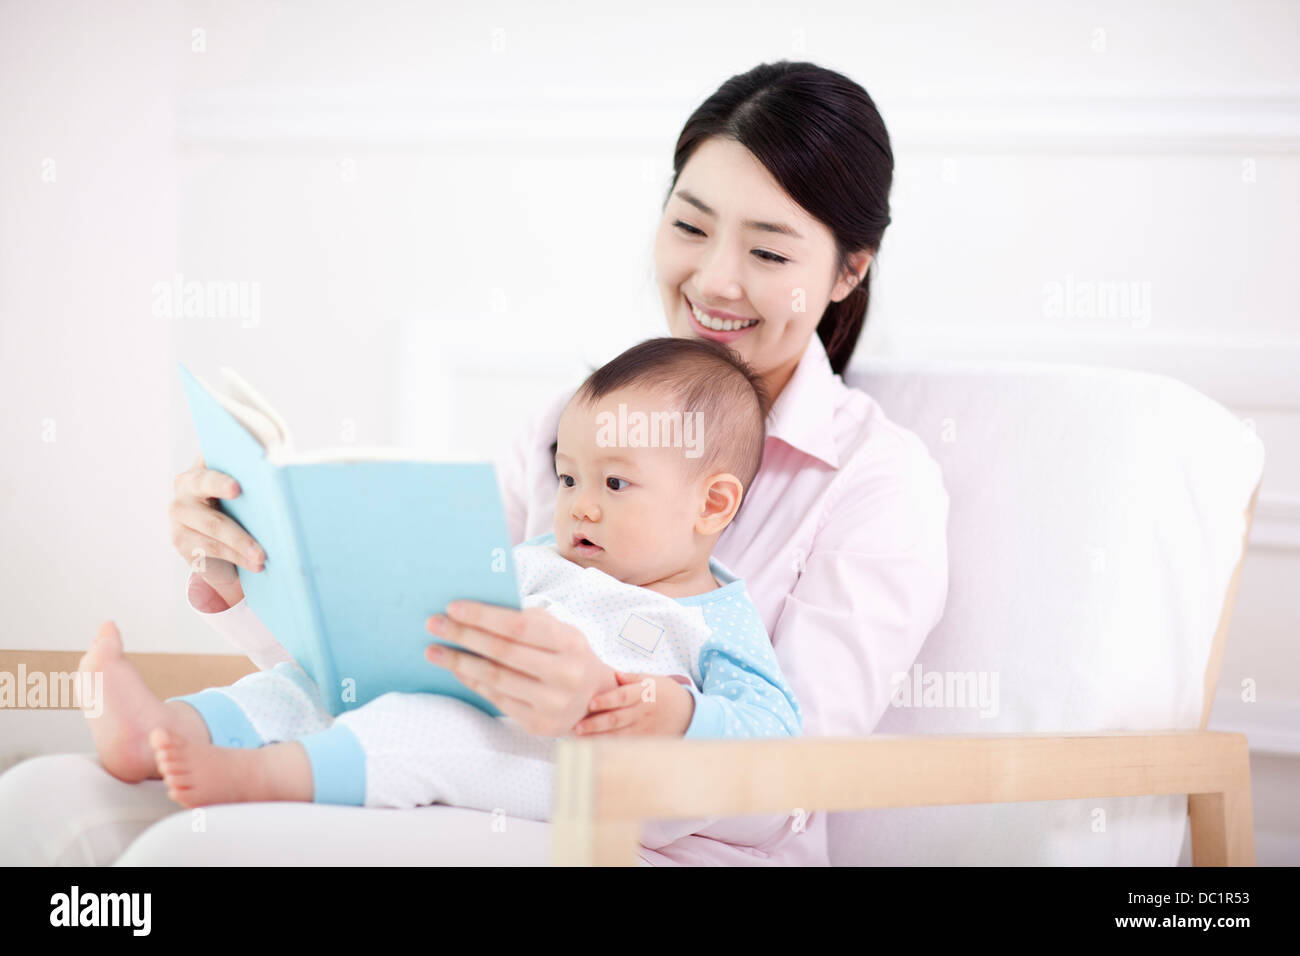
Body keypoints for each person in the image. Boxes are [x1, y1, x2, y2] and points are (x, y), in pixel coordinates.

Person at [0, 59, 949, 866]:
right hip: (446, 787)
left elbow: (791, 780)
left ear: (847, 271)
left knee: (201, 848)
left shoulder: (876, 483)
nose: (714, 280)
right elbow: (402, 652)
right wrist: (253, 572)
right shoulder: (569, 429)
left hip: (641, 843)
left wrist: (619, 709)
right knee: (41, 804)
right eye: (691, 227)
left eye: (769, 249)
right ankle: (195, 731)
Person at [78, 337, 801, 819]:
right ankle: (168, 729)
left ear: (711, 504)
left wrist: (673, 714)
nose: (578, 502)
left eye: (615, 483)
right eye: (569, 475)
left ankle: (257, 778)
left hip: (551, 769)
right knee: (301, 688)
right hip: (448, 695)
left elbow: (777, 738)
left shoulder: (714, 615)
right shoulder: (543, 556)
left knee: (429, 728)